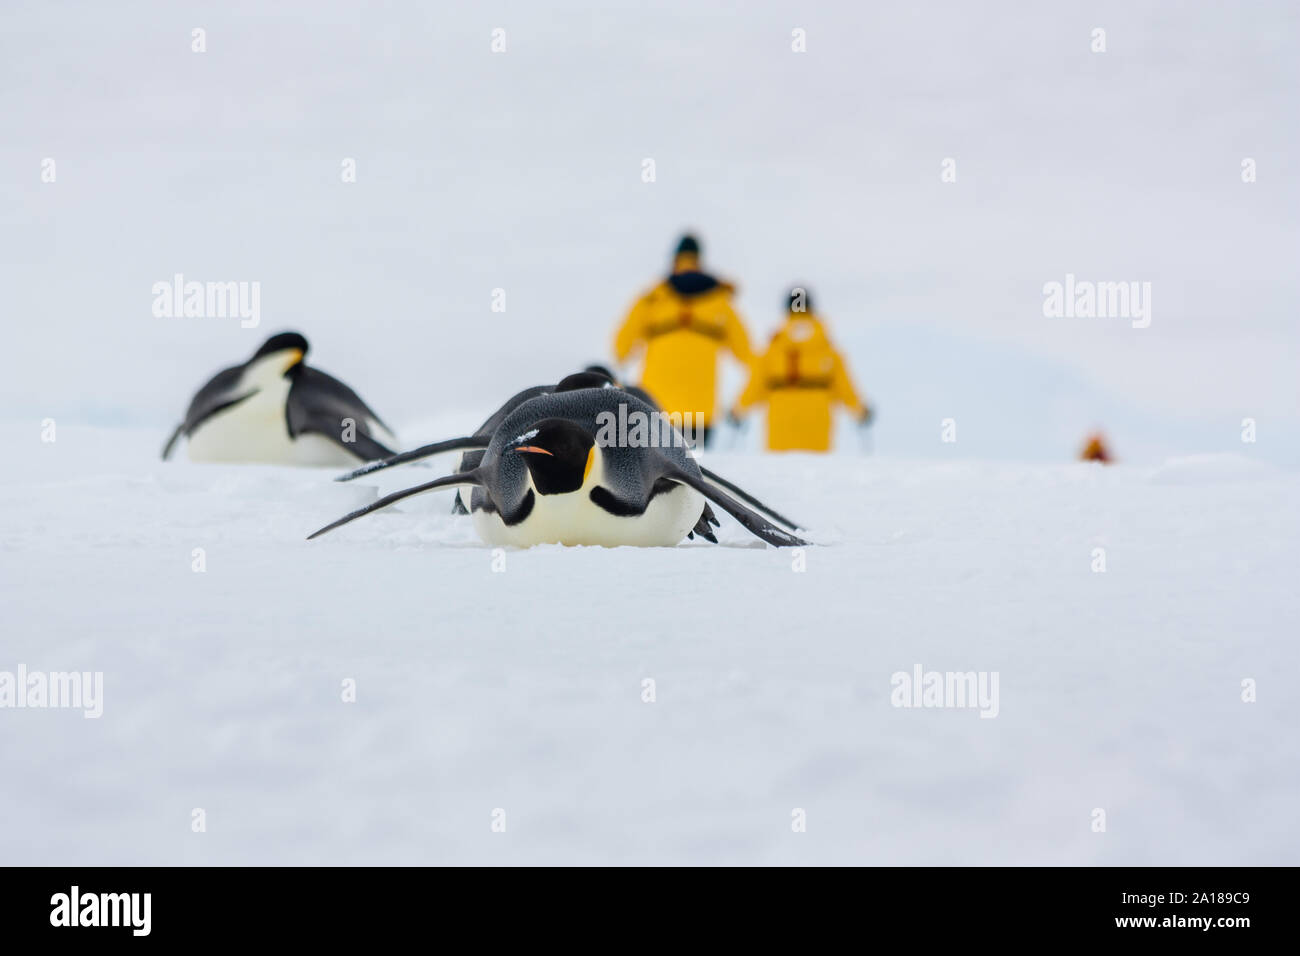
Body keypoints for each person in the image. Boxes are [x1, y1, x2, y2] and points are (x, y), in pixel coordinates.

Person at [613, 234, 753, 447]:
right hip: (699, 411)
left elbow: (622, 347)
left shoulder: (653, 298)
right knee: (692, 469)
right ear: (698, 260)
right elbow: (746, 353)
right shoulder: (720, 302)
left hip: (655, 405)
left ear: (675, 259)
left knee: (657, 470)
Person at [728, 287, 871, 452]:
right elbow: (846, 389)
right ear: (811, 309)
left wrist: (737, 411)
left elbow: (755, 386)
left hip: (781, 421)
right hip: (817, 420)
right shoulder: (828, 349)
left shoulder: (773, 348)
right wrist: (861, 412)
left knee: (781, 472)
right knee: (814, 472)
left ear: (787, 309)